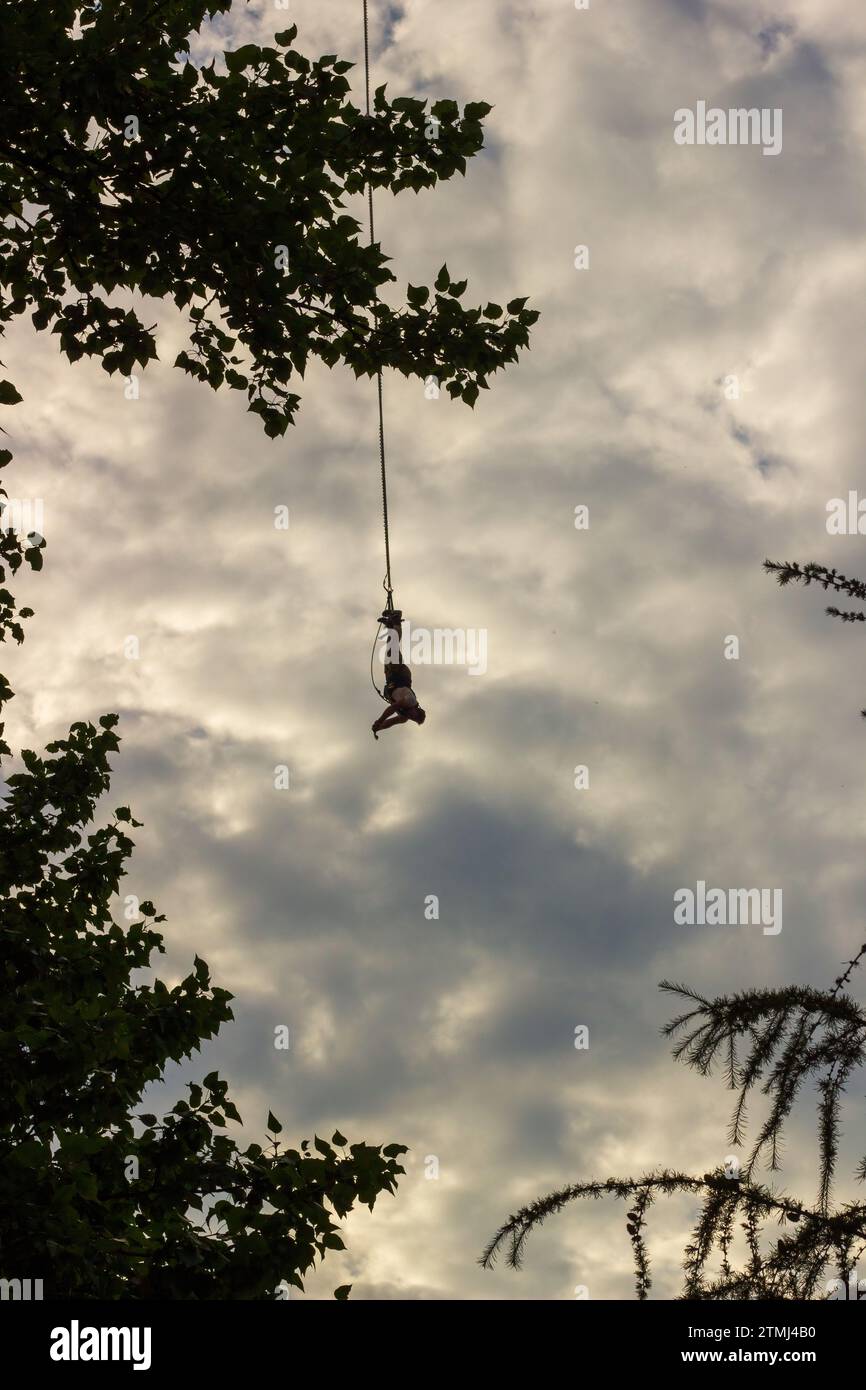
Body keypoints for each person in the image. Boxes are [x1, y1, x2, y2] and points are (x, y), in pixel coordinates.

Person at [372, 607, 427, 739]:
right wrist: (380, 720)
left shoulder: (403, 717)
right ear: (417, 709)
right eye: (414, 716)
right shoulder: (410, 701)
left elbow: (391, 722)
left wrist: (378, 728)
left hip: (391, 677)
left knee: (390, 648)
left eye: (413, 719)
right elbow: (392, 709)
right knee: (393, 649)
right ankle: (396, 621)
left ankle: (391, 626)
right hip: (400, 675)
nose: (411, 717)